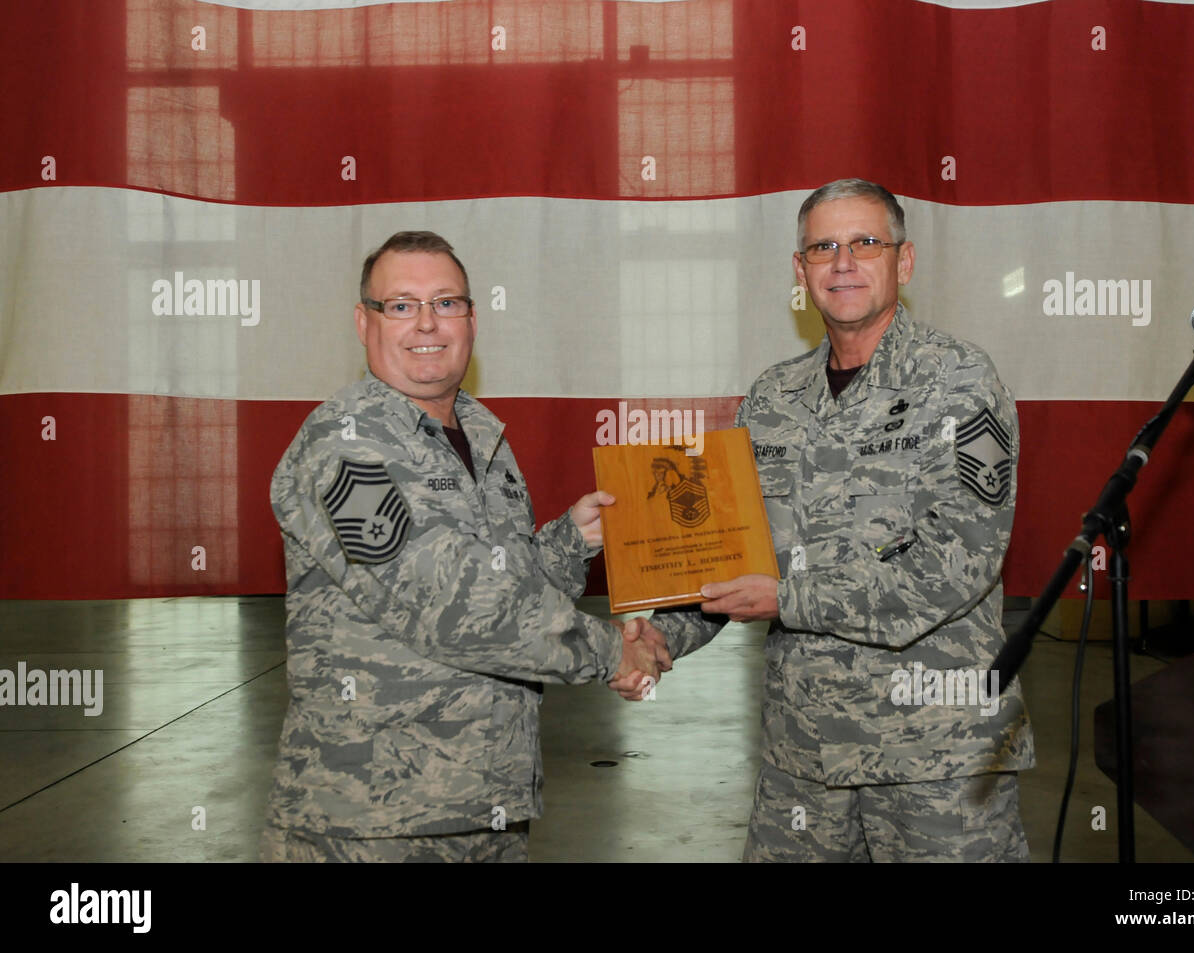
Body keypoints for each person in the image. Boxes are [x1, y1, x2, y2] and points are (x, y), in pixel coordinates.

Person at [615, 179, 1035, 862]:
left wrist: (787, 598)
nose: (843, 262)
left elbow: (958, 563)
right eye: (823, 247)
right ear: (800, 269)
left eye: (865, 243)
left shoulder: (959, 381)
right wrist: (660, 635)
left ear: (903, 262)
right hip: (803, 758)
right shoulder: (772, 398)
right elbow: (731, 560)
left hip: (936, 759)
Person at [261, 230, 670, 863]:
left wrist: (571, 540)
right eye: (400, 305)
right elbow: (450, 603)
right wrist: (613, 651)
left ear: (472, 320)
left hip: (485, 805)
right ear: (363, 322)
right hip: (373, 820)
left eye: (446, 303)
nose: (427, 322)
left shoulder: (477, 434)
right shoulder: (345, 444)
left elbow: (499, 576)